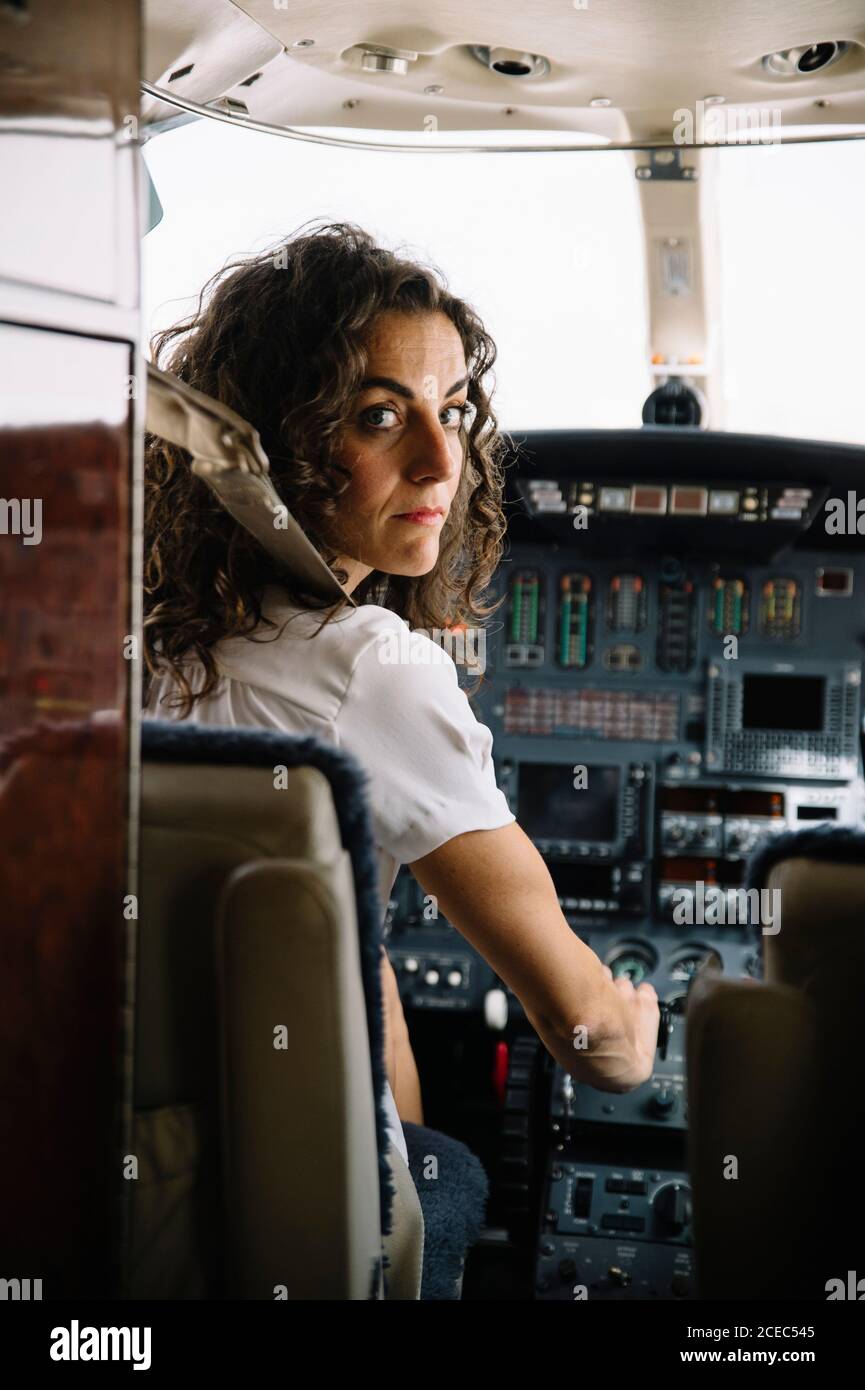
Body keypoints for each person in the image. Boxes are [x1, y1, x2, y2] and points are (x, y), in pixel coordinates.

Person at [143, 220, 659, 1162]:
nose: (439, 459)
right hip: (289, 1186)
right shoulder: (369, 667)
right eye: (379, 416)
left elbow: (344, 964)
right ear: (273, 443)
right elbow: (593, 1042)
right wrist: (637, 1020)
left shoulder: (140, 643)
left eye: (452, 409)